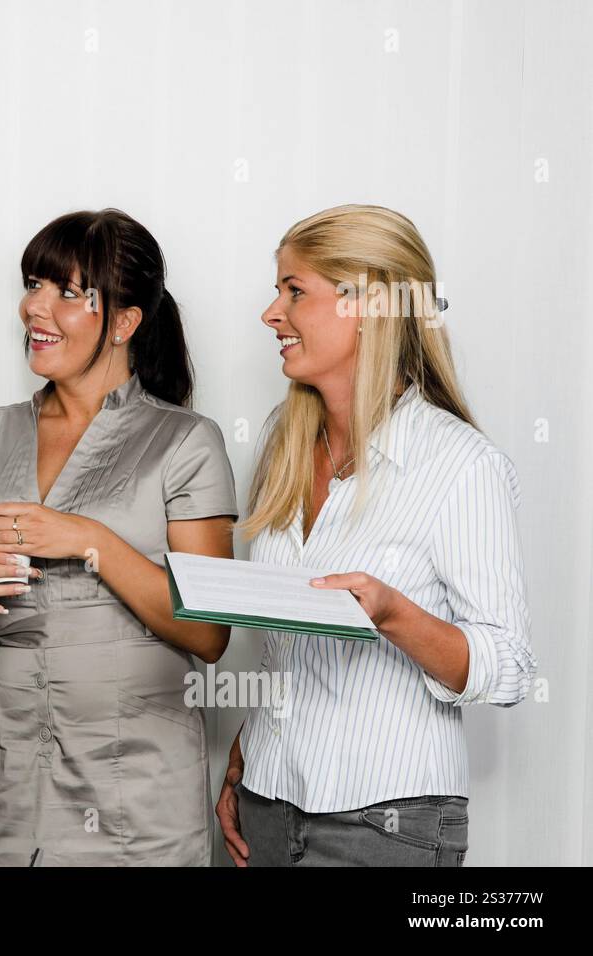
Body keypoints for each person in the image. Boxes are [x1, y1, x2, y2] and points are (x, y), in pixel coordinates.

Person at [215, 204, 537, 867]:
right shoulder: (283, 441)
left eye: (294, 291)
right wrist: (244, 758)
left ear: (366, 306)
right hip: (268, 802)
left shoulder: (461, 466)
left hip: (386, 826)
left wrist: (396, 616)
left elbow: (509, 669)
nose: (271, 314)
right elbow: (287, 648)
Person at [0, 208, 238, 865]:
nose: (34, 307)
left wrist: (88, 539)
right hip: (10, 779)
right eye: (32, 284)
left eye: (66, 292)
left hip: (136, 797)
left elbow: (210, 634)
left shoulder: (185, 443)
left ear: (126, 322)